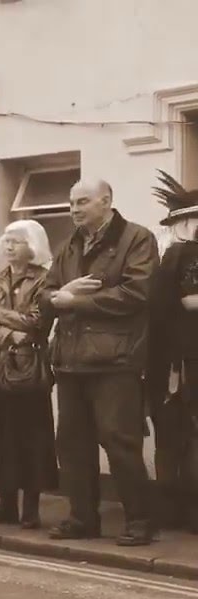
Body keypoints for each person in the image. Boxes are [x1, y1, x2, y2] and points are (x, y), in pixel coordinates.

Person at [41, 179, 159, 546]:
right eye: (71, 202)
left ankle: (140, 521)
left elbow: (138, 293)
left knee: (120, 442)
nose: (74, 209)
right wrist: (59, 296)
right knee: (73, 445)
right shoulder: (69, 246)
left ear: (106, 201)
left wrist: (73, 300)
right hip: (71, 361)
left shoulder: (137, 239)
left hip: (115, 361)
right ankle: (82, 518)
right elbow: (46, 294)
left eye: (83, 202)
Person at [0, 220, 58, 528]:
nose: (9, 247)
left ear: (32, 245)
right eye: (6, 241)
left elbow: (36, 321)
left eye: (16, 241)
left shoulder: (45, 280)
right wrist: (7, 333)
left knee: (30, 438)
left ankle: (31, 509)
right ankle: (6, 505)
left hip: (28, 369)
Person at [146, 170, 198, 534]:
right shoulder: (189, 255)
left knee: (170, 437)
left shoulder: (167, 256)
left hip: (164, 361)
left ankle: (171, 511)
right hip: (187, 361)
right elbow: (191, 302)